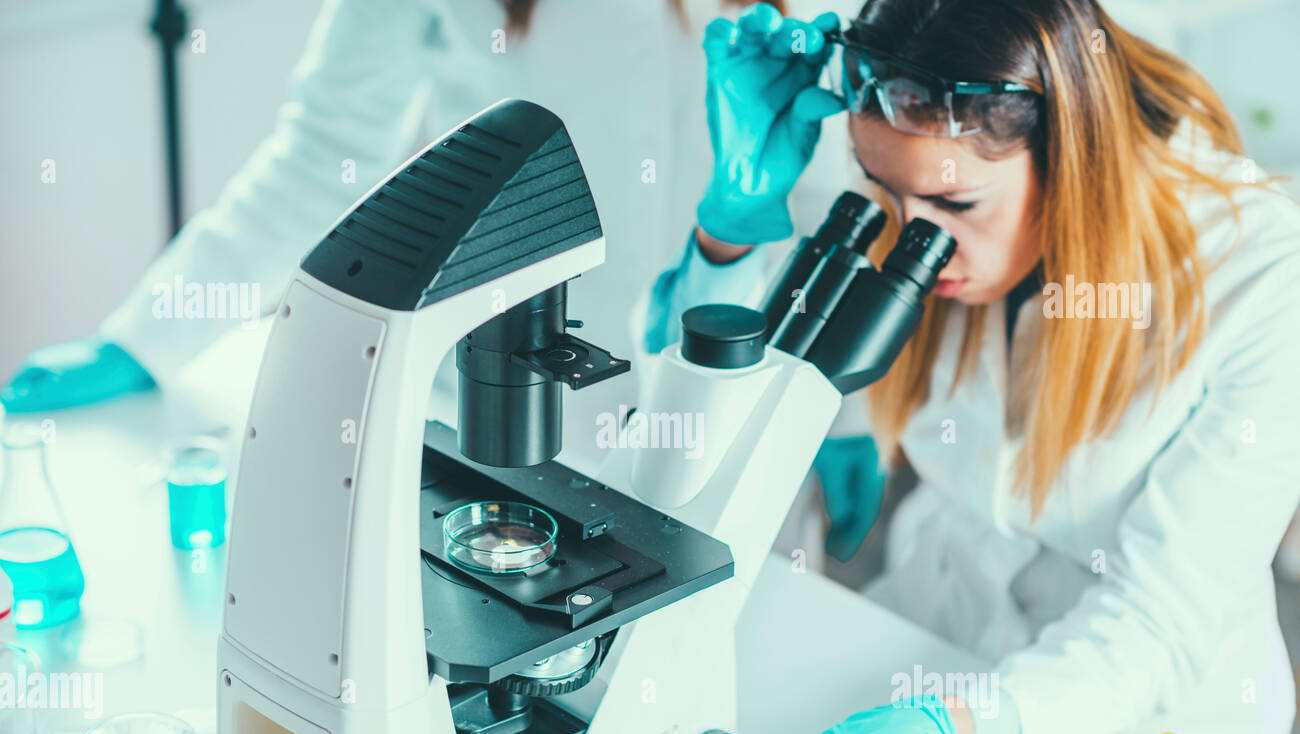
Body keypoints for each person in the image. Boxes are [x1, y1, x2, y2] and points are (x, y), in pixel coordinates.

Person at [643, 0, 1300, 734]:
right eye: (888, 194)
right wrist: (727, 234)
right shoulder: (921, 169)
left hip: (1148, 725)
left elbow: (1155, 618)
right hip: (931, 638)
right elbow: (668, 447)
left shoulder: (1262, 278)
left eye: (954, 201)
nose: (921, 240)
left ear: (1072, 155)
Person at [2, 0, 867, 477]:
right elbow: (325, 157)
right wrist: (147, 333)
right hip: (499, 392)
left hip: (734, 375)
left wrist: (839, 412)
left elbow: (827, 173)